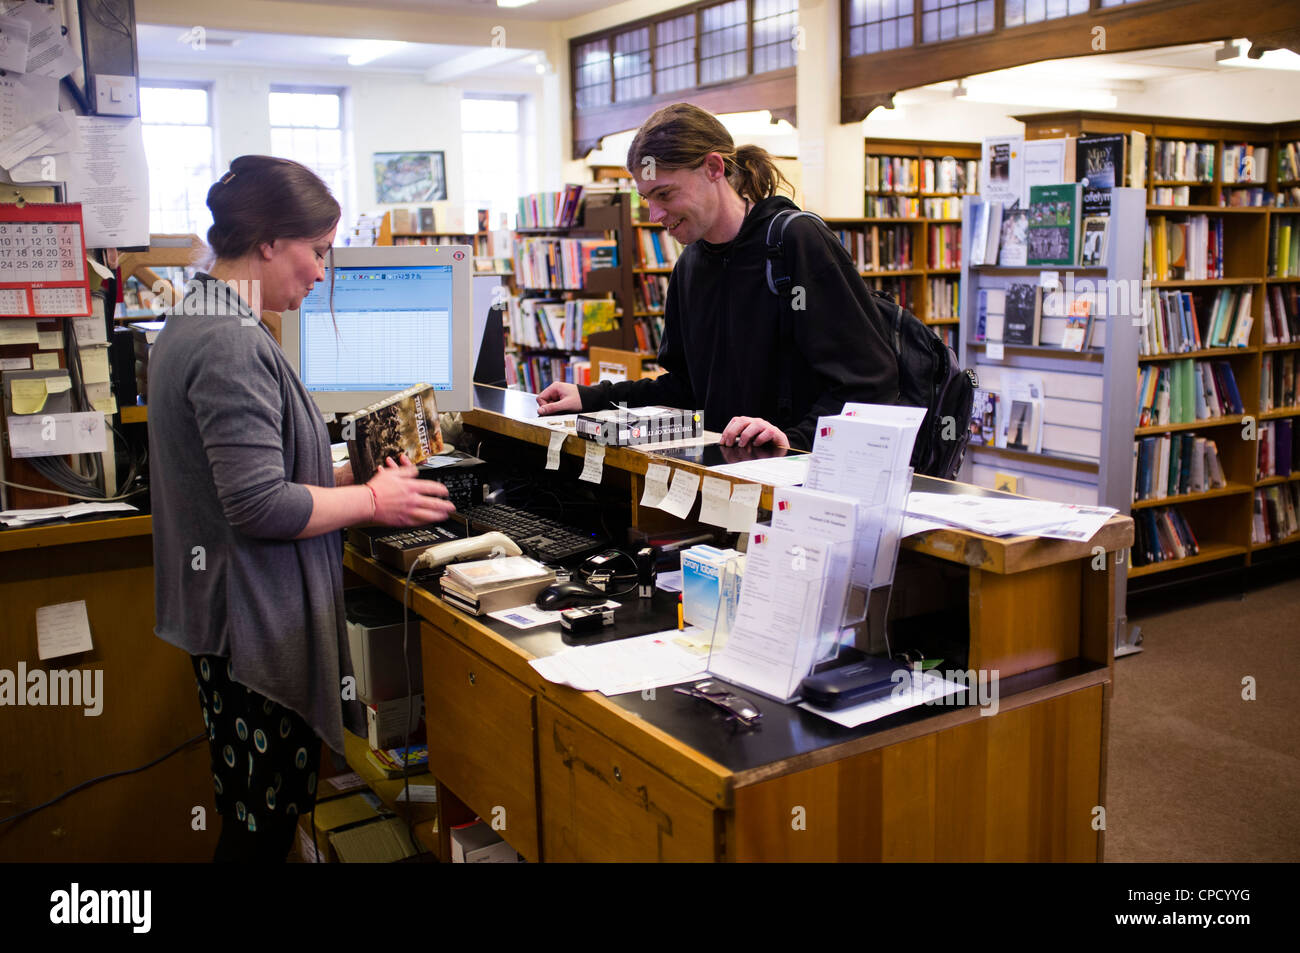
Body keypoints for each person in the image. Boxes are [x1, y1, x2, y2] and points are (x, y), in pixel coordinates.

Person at [148, 156, 455, 862]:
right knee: (261, 831)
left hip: (225, 618)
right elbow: (258, 502)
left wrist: (342, 469)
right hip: (250, 627)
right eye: (316, 250)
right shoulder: (229, 341)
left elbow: (252, 468)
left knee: (258, 820)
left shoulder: (201, 316)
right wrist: (375, 499)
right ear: (266, 240)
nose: (322, 273)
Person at [536, 102, 898, 450]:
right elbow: (686, 390)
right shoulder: (689, 266)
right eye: (647, 198)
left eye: (665, 193)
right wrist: (593, 396)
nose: (655, 214)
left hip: (795, 483)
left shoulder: (796, 241)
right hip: (722, 482)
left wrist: (794, 440)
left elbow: (869, 383)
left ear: (713, 168)